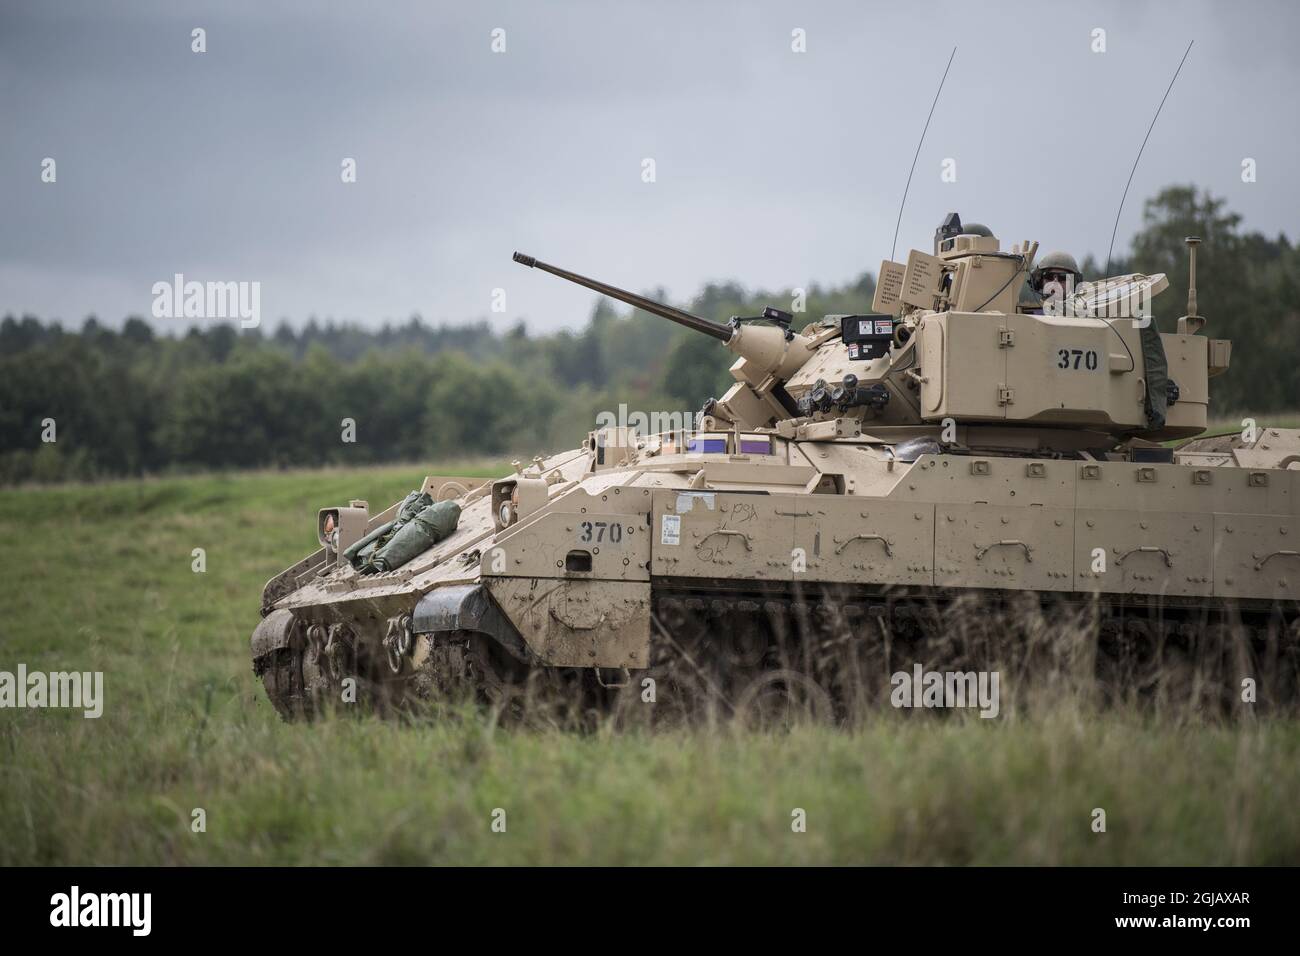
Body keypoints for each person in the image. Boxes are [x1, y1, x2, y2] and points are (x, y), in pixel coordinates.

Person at [1021, 250, 1081, 315]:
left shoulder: (1084, 315)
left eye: (1063, 277)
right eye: (1049, 276)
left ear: (1074, 283)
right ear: (1040, 281)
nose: (1055, 281)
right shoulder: (1027, 316)